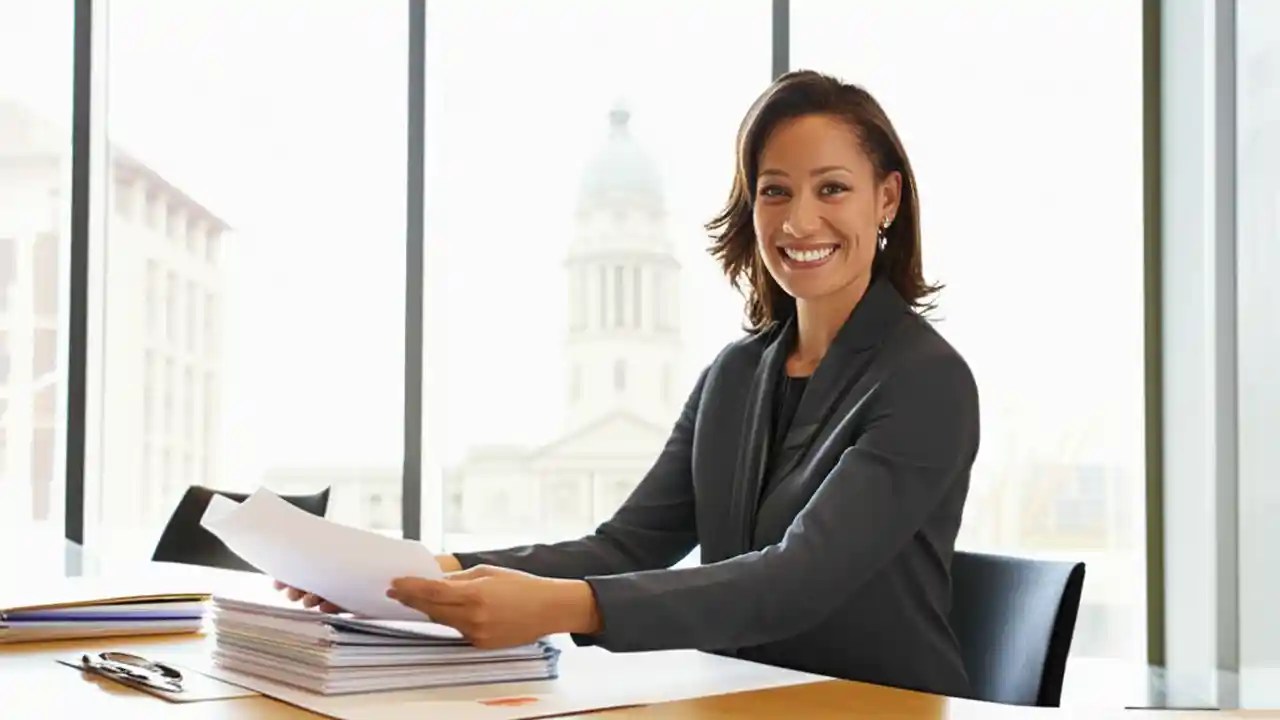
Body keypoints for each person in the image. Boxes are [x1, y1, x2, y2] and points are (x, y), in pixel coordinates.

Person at [277, 69, 980, 698]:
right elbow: (627, 544)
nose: (799, 221)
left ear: (885, 199)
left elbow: (795, 582)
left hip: (875, 707)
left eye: (832, 188)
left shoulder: (926, 382)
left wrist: (566, 605)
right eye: (775, 192)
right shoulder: (737, 374)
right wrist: (418, 575)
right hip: (741, 696)